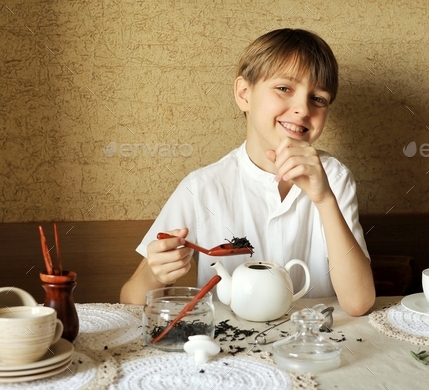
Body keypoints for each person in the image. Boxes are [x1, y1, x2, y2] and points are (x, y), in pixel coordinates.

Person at [120, 28, 375, 316]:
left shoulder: (335, 179)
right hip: (228, 348)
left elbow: (359, 303)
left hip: (310, 345)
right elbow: (131, 300)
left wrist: (324, 199)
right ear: (244, 94)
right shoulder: (203, 187)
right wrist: (158, 272)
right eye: (284, 88)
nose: (302, 109)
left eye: (318, 99)